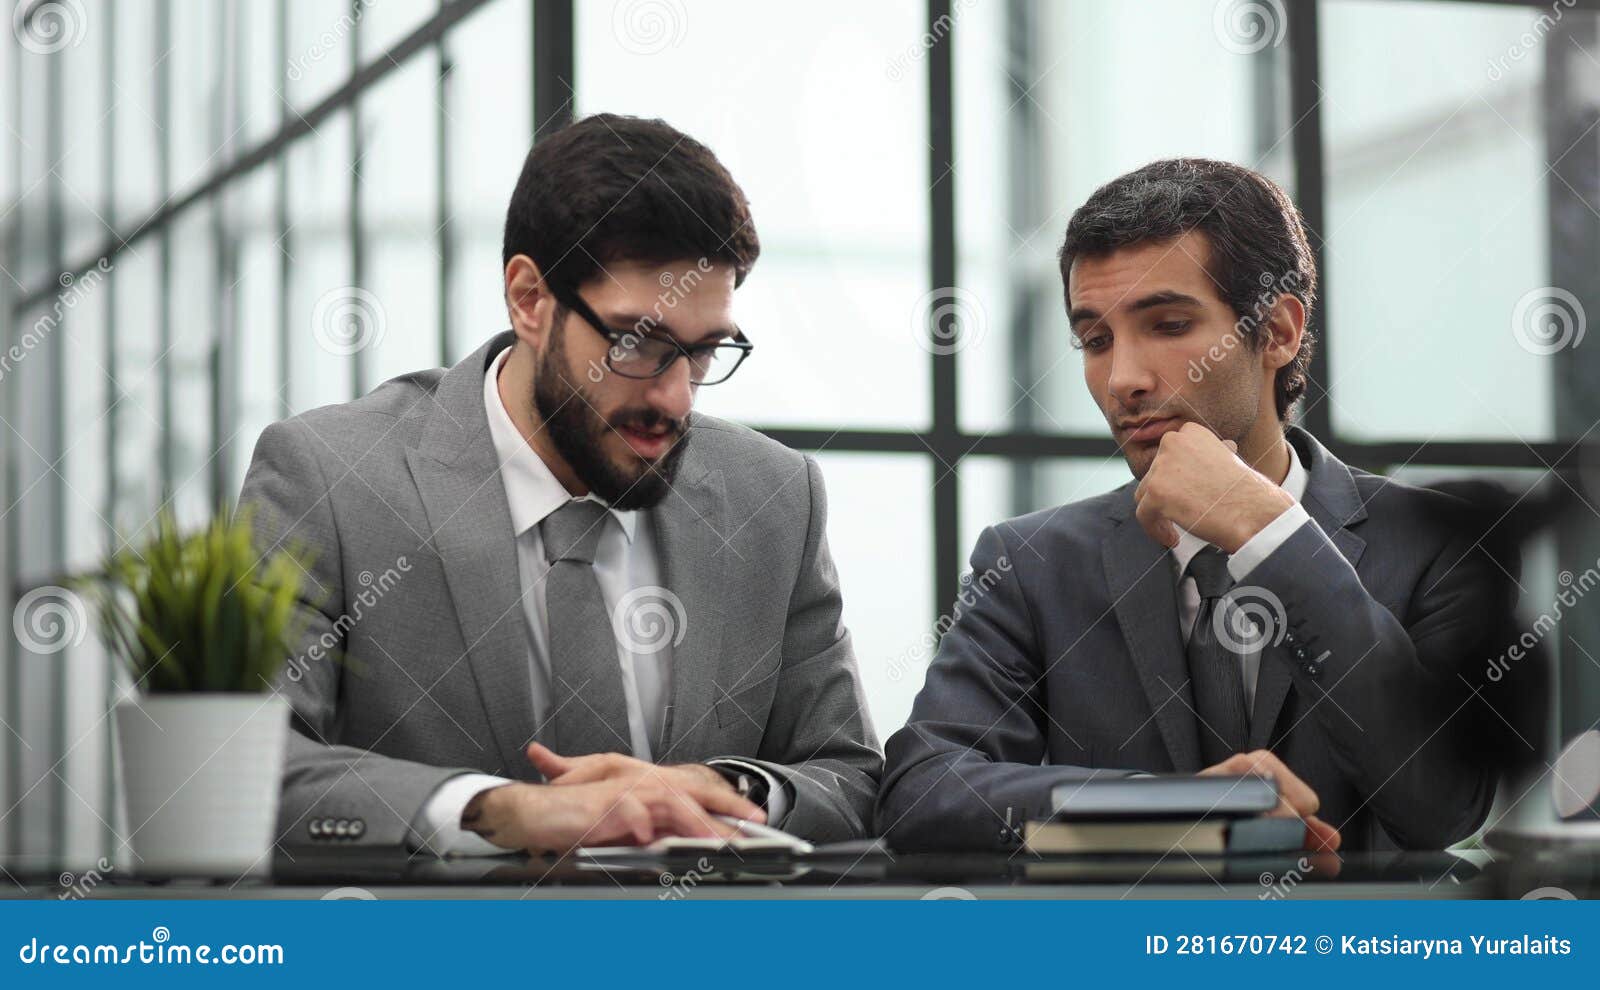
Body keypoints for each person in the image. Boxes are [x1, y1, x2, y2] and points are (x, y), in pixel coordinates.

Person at [240, 114, 881, 856]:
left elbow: (853, 778)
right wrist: (489, 810)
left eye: (704, 352)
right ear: (529, 299)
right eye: (639, 344)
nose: (675, 400)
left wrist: (732, 789)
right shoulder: (329, 475)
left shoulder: (776, 495)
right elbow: (240, 769)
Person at [877, 158, 1506, 852]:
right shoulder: (1030, 564)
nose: (1123, 380)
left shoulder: (1435, 543)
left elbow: (1444, 805)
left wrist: (1273, 536)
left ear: (1278, 332)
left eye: (1170, 325)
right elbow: (923, 793)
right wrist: (1172, 811)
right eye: (1095, 341)